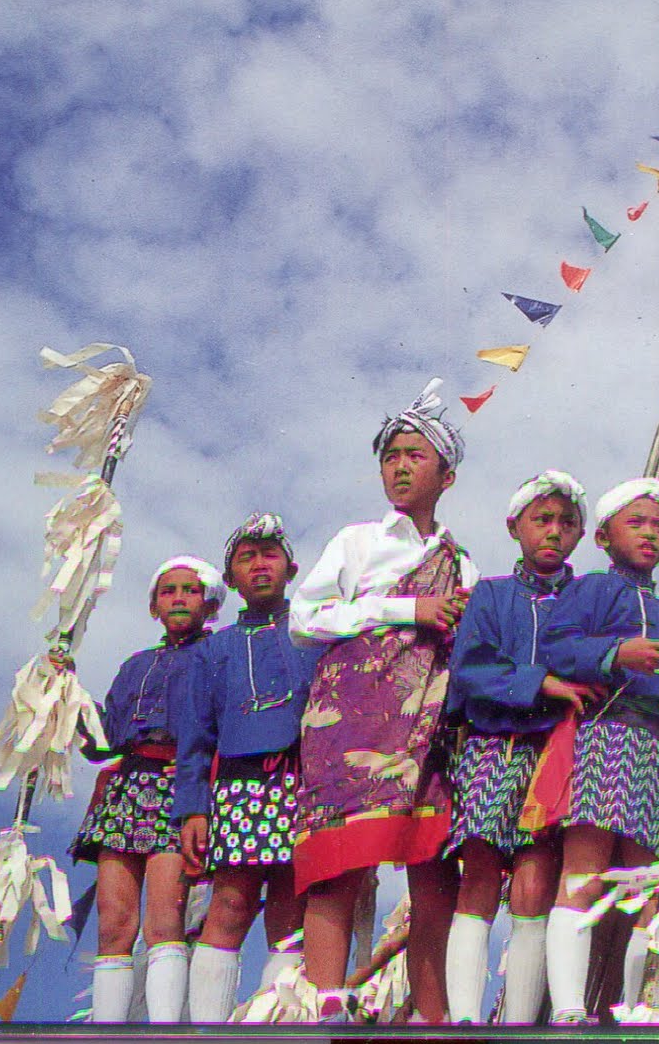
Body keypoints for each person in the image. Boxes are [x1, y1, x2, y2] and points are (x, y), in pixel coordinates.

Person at [288, 380, 478, 1023]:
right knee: (339, 862)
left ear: (446, 474)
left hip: (429, 722)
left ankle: (432, 1016)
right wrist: (407, 609)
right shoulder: (357, 542)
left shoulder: (463, 563)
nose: (398, 466)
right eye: (390, 455)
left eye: (413, 455)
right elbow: (305, 617)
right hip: (352, 717)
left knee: (430, 869)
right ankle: (324, 1004)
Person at [443, 471, 603, 1025]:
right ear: (515, 527)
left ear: (581, 534)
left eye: (566, 522)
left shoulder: (588, 598)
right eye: (542, 520)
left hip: (556, 751)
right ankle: (464, 1018)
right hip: (494, 746)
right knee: (481, 872)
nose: (553, 533)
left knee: (536, 879)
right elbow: (471, 669)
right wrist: (545, 683)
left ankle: (518, 1022)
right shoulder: (490, 595)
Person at [535, 477, 659, 1026]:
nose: (651, 534)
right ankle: (571, 1010)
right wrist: (616, 653)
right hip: (606, 735)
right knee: (585, 866)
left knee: (648, 878)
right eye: (637, 523)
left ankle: (640, 1005)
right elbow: (557, 645)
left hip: (656, 747)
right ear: (603, 537)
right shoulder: (595, 589)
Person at [173, 514, 323, 1022]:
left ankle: (274, 1025)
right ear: (230, 576)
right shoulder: (212, 650)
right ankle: (208, 1029)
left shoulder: (316, 633)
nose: (260, 565)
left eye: (270, 555)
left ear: (291, 568)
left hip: (305, 783)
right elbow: (195, 738)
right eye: (246, 557)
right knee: (230, 905)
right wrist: (192, 810)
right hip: (240, 784)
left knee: (291, 913)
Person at [72, 556, 225, 1022]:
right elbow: (105, 741)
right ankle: (108, 1028)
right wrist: (65, 693)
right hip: (124, 789)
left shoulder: (218, 657)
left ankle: (162, 1027)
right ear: (154, 607)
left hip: (180, 788)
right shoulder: (134, 666)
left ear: (210, 603)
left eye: (190, 590)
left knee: (165, 918)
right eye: (168, 591)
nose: (179, 598)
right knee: (113, 921)